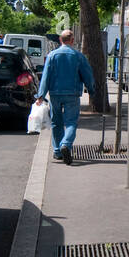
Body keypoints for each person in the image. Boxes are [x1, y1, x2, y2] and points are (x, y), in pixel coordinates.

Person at [35, 29, 96, 165]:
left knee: (56, 122)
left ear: (60, 40)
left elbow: (46, 77)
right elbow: (88, 75)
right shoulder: (78, 56)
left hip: (55, 94)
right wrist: (91, 90)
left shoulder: (52, 55)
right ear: (72, 41)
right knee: (71, 122)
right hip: (72, 94)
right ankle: (66, 144)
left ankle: (57, 151)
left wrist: (41, 95)